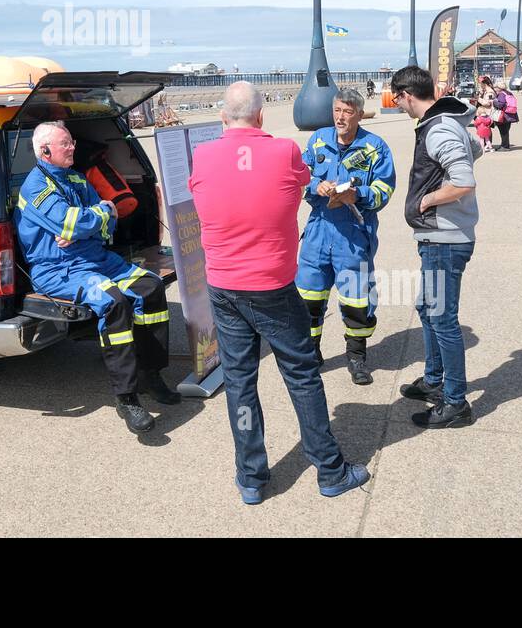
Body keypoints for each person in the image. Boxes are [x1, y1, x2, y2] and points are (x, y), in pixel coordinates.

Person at [189, 81, 369, 503]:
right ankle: (329, 470)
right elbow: (304, 185)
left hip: (225, 284)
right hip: (271, 283)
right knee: (301, 375)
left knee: (239, 379)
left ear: (221, 117)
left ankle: (251, 478)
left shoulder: (203, 155)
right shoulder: (285, 151)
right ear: (261, 115)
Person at [14, 120, 176, 434]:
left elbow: (107, 222)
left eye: (71, 141)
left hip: (95, 259)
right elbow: (71, 223)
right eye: (66, 144)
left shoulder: (76, 178)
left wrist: (97, 217)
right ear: (46, 151)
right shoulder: (36, 186)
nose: (73, 147)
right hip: (59, 271)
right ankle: (126, 397)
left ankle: (150, 374)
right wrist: (91, 219)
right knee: (114, 303)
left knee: (151, 288)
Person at [389, 65, 481, 429]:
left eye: (397, 98)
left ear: (407, 95)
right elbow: (475, 147)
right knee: (428, 309)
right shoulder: (443, 124)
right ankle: (433, 378)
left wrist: (427, 201)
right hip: (438, 237)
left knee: (442, 317)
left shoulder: (439, 129)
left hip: (445, 238)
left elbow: (463, 181)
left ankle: (455, 402)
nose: (396, 105)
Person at [296, 88, 395, 385]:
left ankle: (356, 357)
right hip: (317, 231)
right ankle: (311, 353)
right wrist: (316, 186)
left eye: (348, 112)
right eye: (337, 110)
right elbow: (299, 175)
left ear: (359, 115)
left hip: (352, 235)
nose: (341, 117)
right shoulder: (317, 139)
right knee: (309, 298)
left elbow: (385, 189)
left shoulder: (375, 147)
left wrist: (358, 194)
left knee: (356, 300)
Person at [492, 80, 518, 150]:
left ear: (499, 88)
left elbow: (500, 104)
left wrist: (494, 102)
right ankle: (504, 145)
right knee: (506, 130)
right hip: (510, 114)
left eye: (495, 87)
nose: (494, 89)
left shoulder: (501, 94)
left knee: (503, 131)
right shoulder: (509, 93)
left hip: (504, 115)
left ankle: (505, 146)